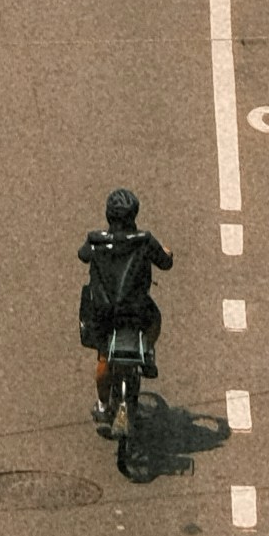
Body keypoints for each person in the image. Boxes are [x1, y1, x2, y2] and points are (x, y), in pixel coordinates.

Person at [78, 184, 171, 434]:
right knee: (156, 320)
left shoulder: (96, 240)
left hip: (103, 314)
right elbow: (166, 262)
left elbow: (82, 255)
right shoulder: (144, 241)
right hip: (136, 312)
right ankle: (147, 352)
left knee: (103, 357)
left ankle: (102, 404)